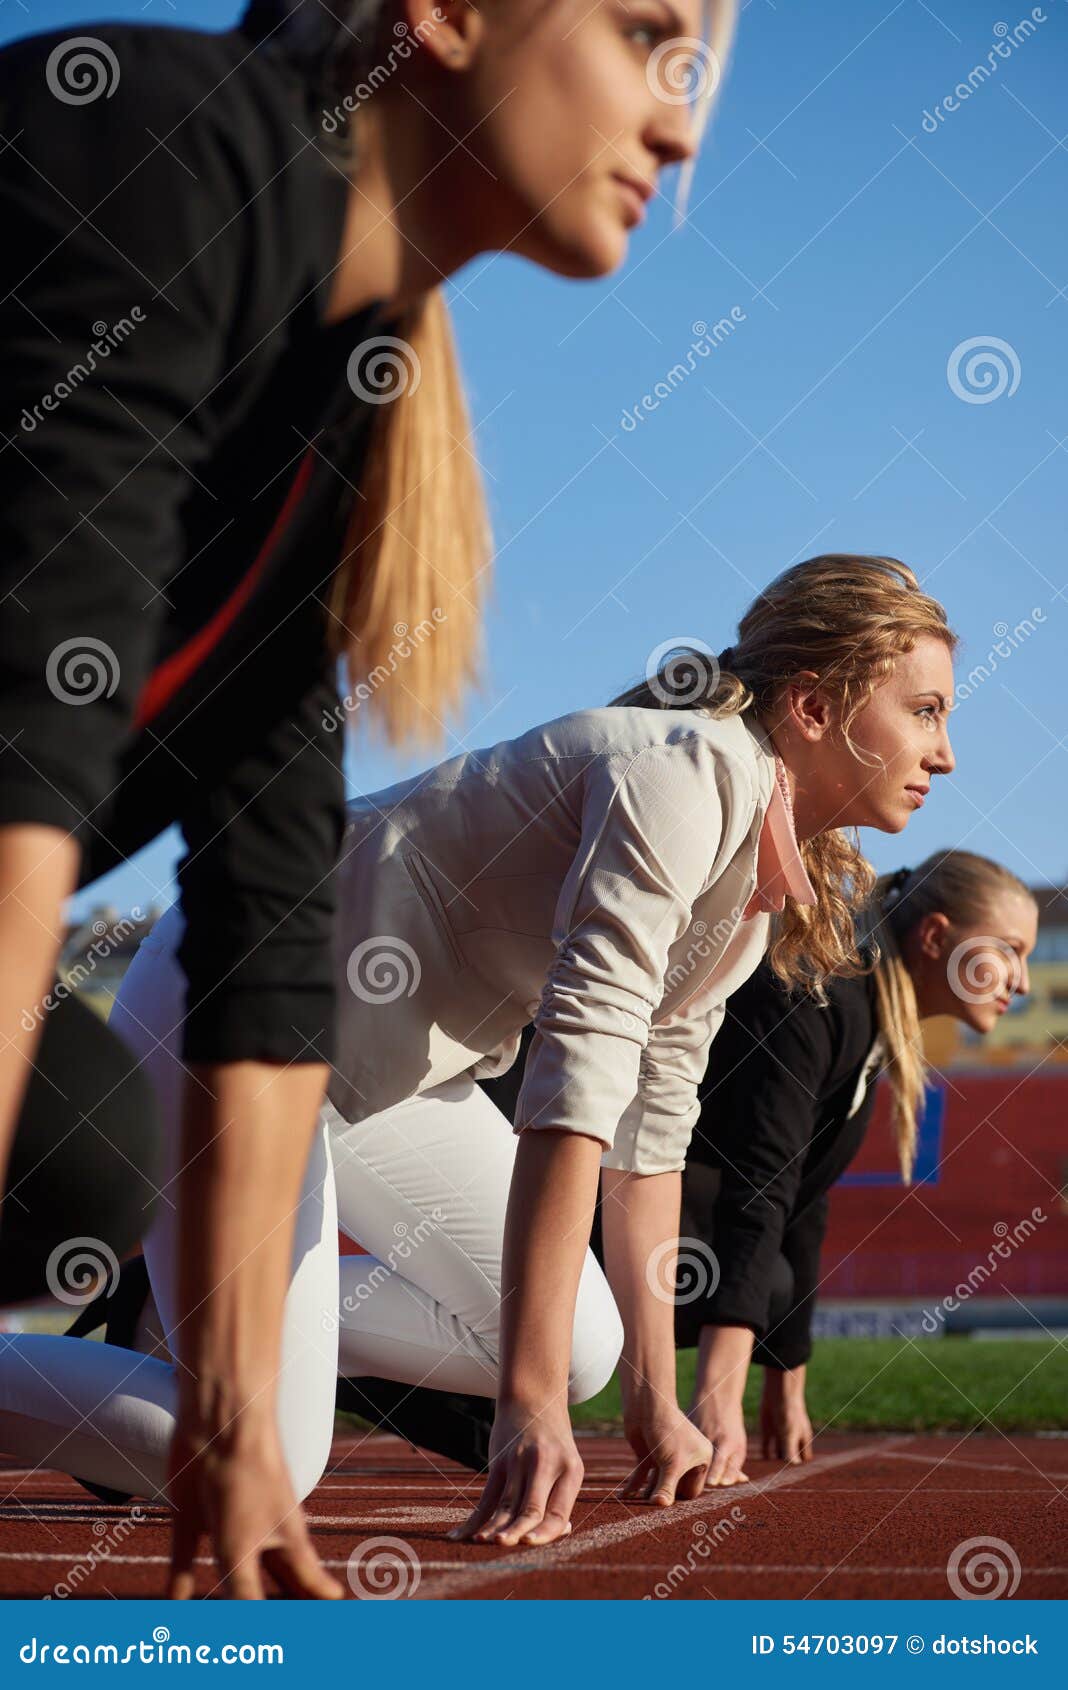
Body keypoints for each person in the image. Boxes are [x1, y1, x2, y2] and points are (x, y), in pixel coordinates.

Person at [0, 0, 736, 1597]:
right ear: (446, 18)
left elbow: (267, 910)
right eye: (645, 36)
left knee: (83, 1161)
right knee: (62, 1152)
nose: (681, 125)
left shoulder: (338, 402)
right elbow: (22, 762)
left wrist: (227, 1428)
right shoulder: (156, 145)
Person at [0, 551, 957, 1552]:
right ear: (813, 705)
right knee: (273, 1458)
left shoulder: (748, 904)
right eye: (925, 711)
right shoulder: (683, 774)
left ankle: (180, 1323)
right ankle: (215, 1354)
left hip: (383, 1083)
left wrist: (654, 1399)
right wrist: (525, 1408)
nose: (945, 754)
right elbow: (576, 1079)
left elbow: (648, 1133)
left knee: (582, 1347)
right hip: (237, 1020)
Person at [668, 849, 1037, 1482]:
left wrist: (786, 1377)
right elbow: (761, 1186)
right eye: (1010, 950)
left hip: (669, 1213)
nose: (1022, 982)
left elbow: (804, 1199)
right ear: (935, 938)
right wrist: (718, 1397)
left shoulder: (865, 1013)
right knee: (767, 1279)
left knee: (777, 1276)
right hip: (596, 1206)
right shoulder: (823, 992)